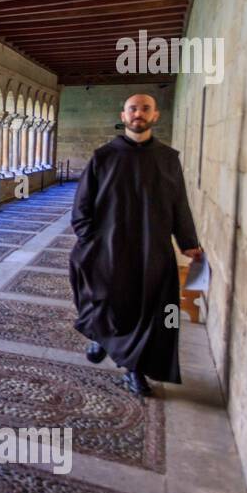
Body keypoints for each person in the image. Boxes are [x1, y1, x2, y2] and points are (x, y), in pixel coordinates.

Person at [69, 94, 204, 396]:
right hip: (110, 249)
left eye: (145, 109)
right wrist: (91, 241)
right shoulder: (103, 157)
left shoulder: (168, 159)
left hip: (151, 249)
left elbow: (179, 204)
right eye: (133, 109)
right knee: (103, 297)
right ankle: (99, 334)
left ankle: (135, 371)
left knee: (151, 313)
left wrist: (188, 242)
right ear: (124, 114)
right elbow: (82, 205)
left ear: (155, 115)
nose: (138, 113)